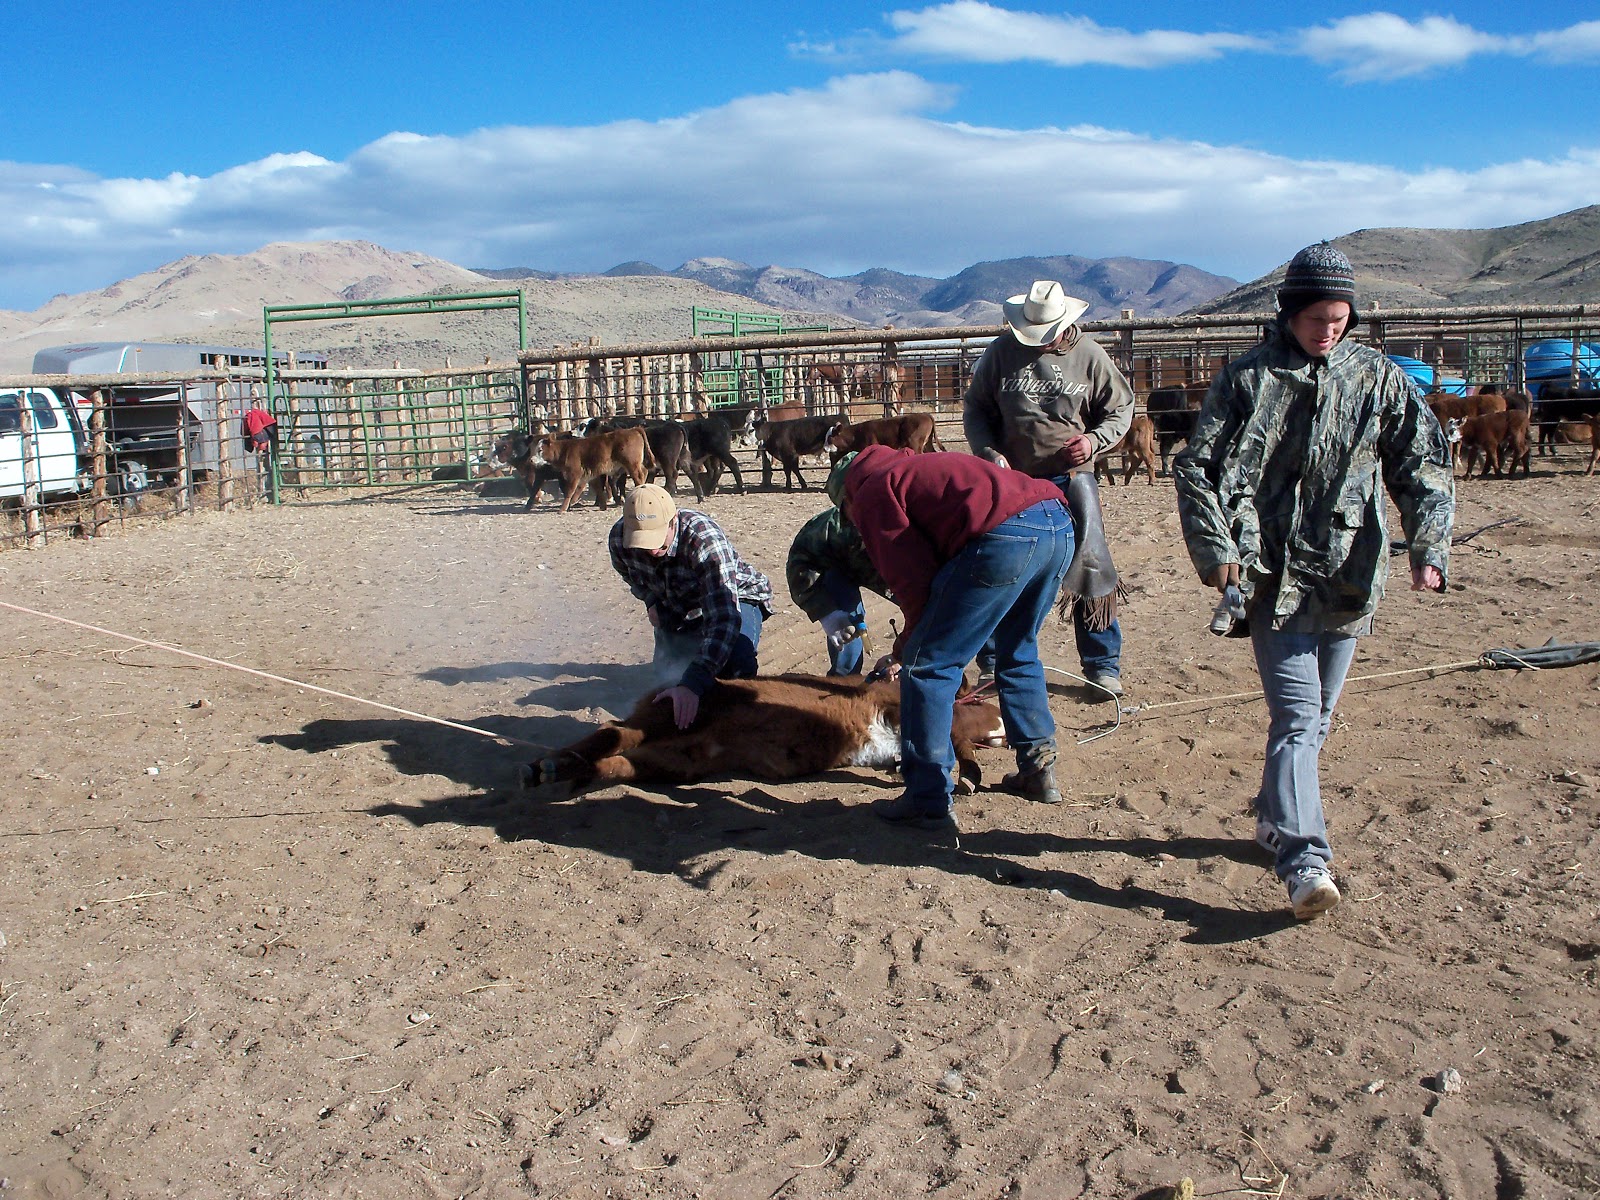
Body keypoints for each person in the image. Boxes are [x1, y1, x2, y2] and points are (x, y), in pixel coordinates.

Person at [1172, 241, 1454, 920]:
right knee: (1298, 718)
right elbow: (1196, 468)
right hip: (1271, 578)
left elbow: (1420, 462)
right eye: (1316, 318)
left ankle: (1272, 818)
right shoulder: (1248, 379)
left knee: (1317, 718)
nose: (1328, 330)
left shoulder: (1377, 377)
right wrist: (1218, 554)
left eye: (1340, 318)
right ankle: (1304, 861)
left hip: (1350, 574)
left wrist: (1428, 548)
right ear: (1289, 312)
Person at [832, 446, 1073, 830]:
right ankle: (1038, 770)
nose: (855, 525)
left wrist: (905, 650)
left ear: (848, 498)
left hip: (1005, 535)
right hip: (1056, 521)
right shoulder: (915, 469)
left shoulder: (874, 493)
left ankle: (927, 798)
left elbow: (917, 587)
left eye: (848, 516)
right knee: (1018, 650)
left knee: (928, 668)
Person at [963, 280, 1135, 699]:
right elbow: (977, 409)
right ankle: (992, 662)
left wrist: (1093, 441)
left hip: (1072, 477)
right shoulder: (1000, 353)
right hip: (1012, 479)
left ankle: (1101, 664)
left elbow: (1121, 407)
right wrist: (987, 451)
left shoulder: (1090, 356)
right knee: (999, 563)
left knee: (1091, 560)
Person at [608, 484, 774, 730]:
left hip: (736, 597)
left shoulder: (703, 539)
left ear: (673, 521)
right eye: (642, 542)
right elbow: (628, 574)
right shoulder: (619, 538)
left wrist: (692, 684)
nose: (652, 550)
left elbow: (724, 617)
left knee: (736, 664)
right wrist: (651, 600)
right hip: (678, 603)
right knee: (667, 674)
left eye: (657, 539)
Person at [785, 499, 891, 676]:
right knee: (847, 628)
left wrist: (900, 655)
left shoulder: (918, 531)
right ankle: (844, 679)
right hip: (837, 568)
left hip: (900, 571)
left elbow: (932, 606)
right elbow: (800, 566)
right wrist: (827, 613)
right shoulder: (827, 529)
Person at [243, 397, 280, 501]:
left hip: (260, 436)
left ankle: (268, 489)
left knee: (266, 461)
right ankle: (268, 490)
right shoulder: (256, 416)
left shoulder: (253, 416)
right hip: (262, 436)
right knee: (266, 461)